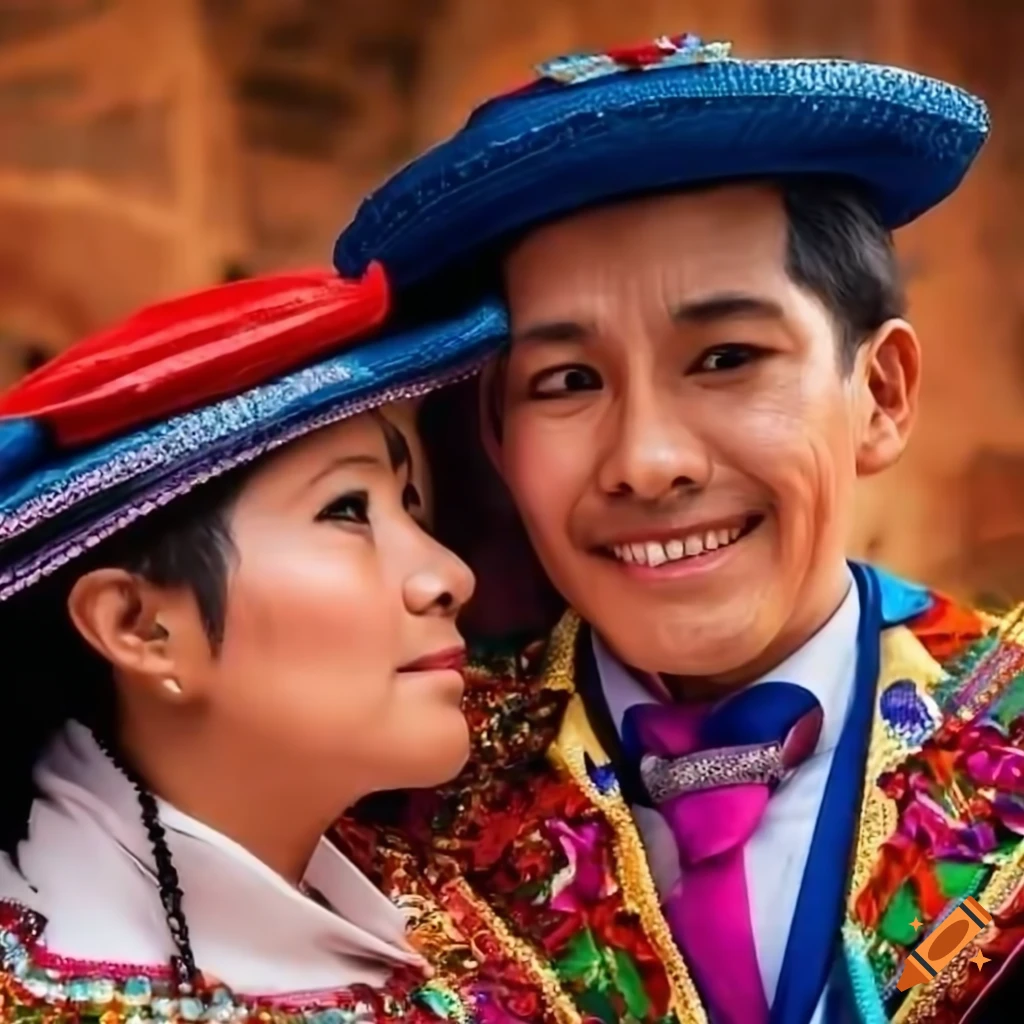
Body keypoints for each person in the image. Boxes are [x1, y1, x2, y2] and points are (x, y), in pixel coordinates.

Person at [330, 33, 1024, 1024]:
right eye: (568, 380)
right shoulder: (401, 800)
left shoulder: (1005, 729)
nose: (648, 460)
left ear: (878, 393)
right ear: (498, 439)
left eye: (726, 358)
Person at [0, 268, 518, 1023]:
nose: (449, 576)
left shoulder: (447, 888)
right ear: (142, 627)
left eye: (408, 503)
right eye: (347, 509)